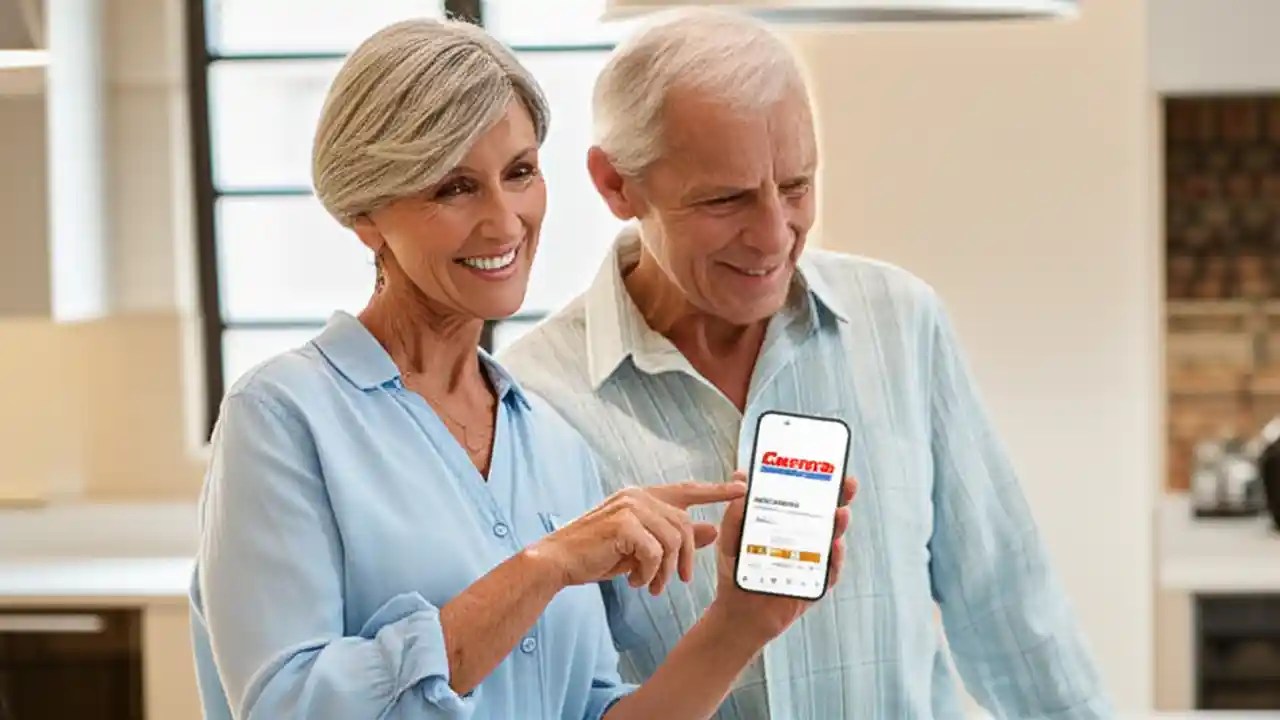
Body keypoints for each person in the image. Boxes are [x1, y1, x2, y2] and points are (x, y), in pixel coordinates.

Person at [187, 18, 856, 720]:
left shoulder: (551, 443)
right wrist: (546, 567)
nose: (505, 222)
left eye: (520, 173)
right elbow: (289, 706)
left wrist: (740, 623)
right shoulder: (283, 417)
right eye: (455, 187)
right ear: (366, 214)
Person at [499, 8, 1113, 720]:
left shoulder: (899, 322)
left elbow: (1014, 614)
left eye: (796, 187)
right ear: (616, 185)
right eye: (725, 199)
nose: (772, 236)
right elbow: (549, 694)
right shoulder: (537, 399)